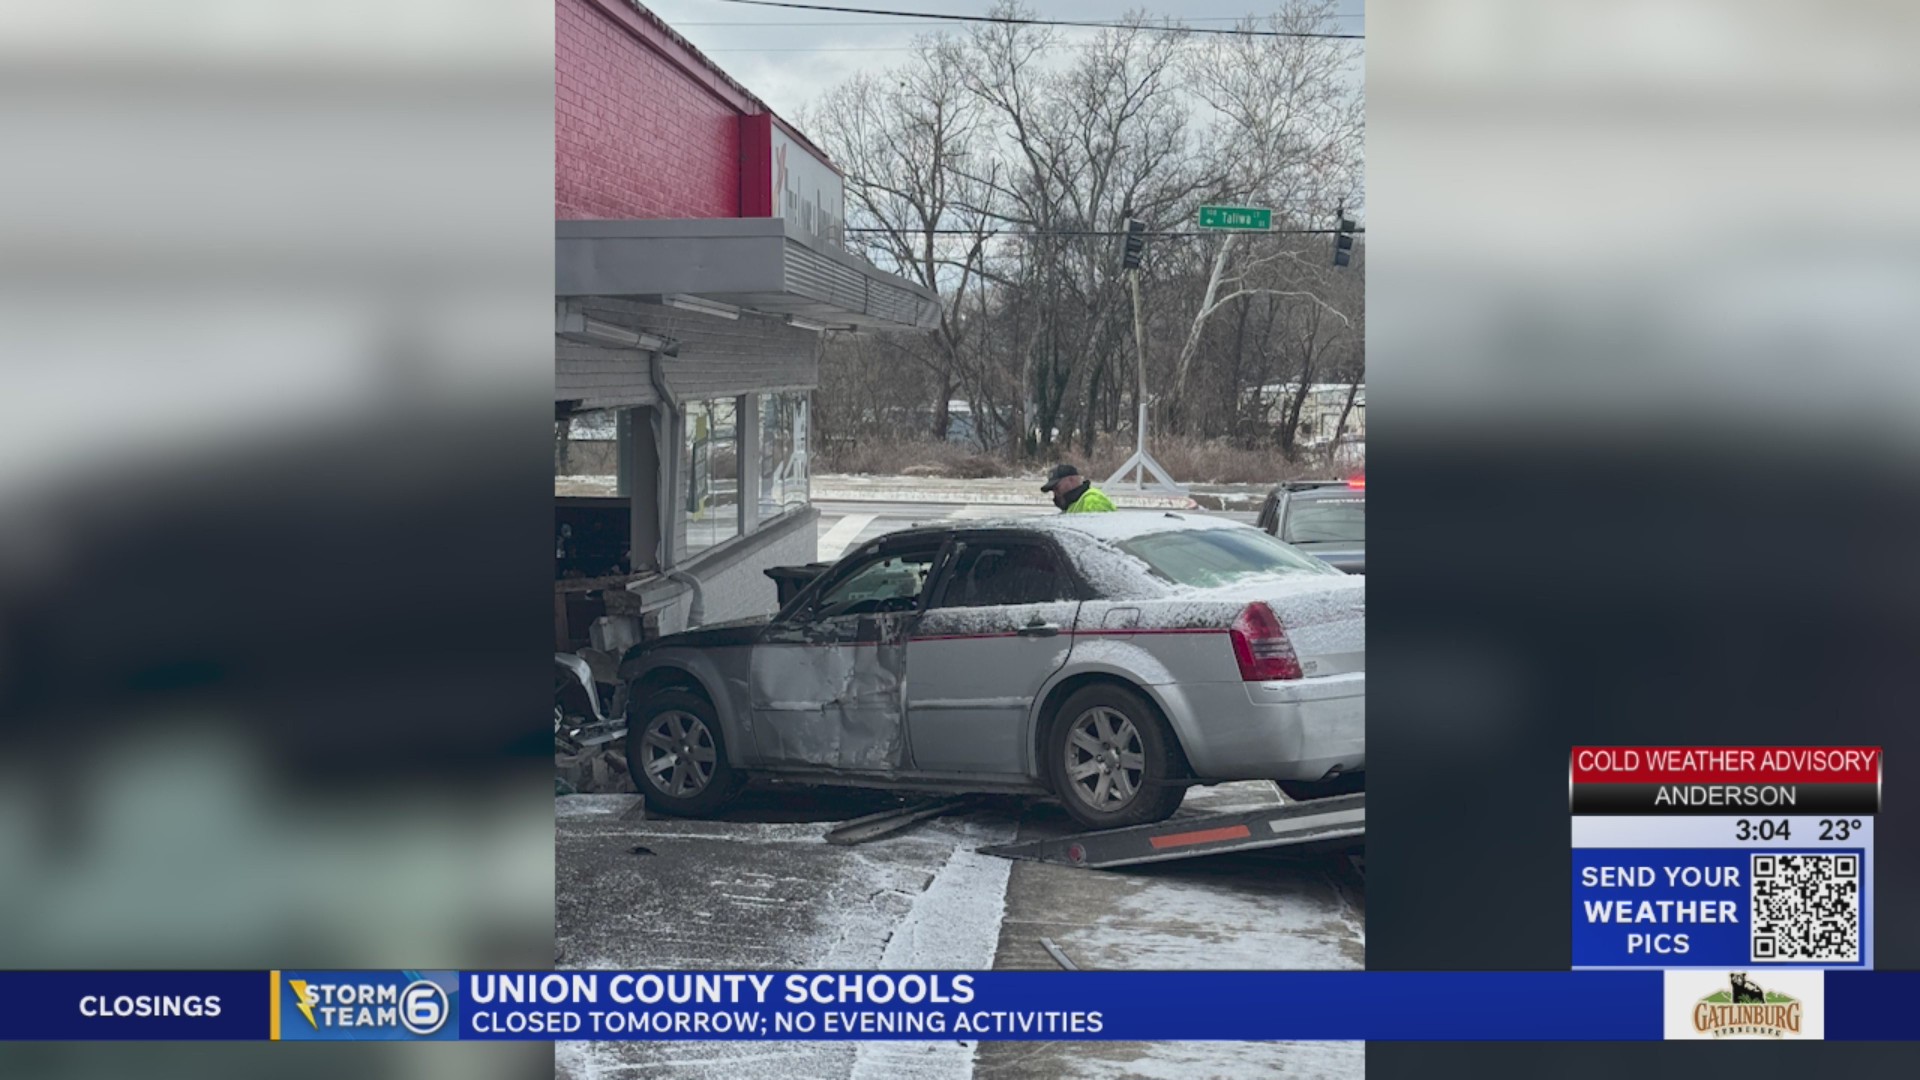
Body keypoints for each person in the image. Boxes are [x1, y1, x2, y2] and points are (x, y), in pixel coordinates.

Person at [1041, 463, 1116, 513]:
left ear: (1071, 480)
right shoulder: (1072, 505)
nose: (1055, 493)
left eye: (1057, 488)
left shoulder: (1093, 501)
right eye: (1053, 490)